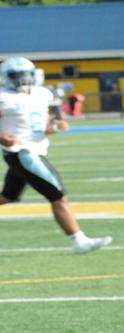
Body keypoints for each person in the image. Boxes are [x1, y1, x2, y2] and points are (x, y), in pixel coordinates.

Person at [0, 57, 111, 255]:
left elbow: (42, 125)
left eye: (26, 74)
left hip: (34, 149)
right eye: (16, 75)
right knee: (58, 196)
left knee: (7, 197)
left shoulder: (41, 94)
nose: (22, 79)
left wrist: (55, 126)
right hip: (22, 153)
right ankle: (79, 240)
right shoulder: (3, 97)